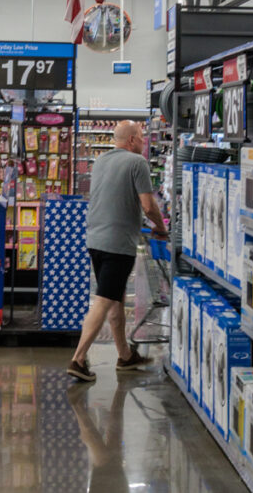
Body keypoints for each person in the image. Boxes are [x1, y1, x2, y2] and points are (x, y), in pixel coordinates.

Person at [68, 119, 167, 382]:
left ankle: (124, 355)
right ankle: (78, 359)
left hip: (95, 239)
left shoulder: (101, 161)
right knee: (104, 300)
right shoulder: (137, 163)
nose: (144, 142)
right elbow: (148, 206)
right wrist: (161, 227)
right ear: (132, 140)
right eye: (142, 137)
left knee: (116, 299)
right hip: (118, 243)